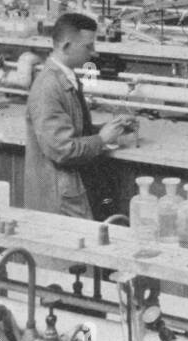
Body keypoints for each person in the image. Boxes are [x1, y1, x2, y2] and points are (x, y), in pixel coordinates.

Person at [25, 13, 131, 220]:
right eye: (88, 46)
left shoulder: (66, 78)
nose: (94, 53)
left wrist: (110, 128)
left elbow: (74, 129)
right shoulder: (48, 87)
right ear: (66, 46)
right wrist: (102, 139)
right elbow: (62, 149)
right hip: (61, 197)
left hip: (71, 187)